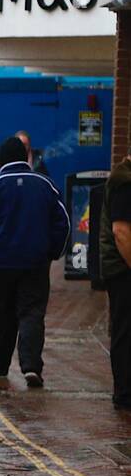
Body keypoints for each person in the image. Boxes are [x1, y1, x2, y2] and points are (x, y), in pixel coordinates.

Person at [0, 137, 69, 388]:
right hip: (35, 261)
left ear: (1, 159)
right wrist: (53, 252)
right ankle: (31, 366)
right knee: (32, 312)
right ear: (25, 157)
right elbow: (63, 222)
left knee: (3, 314)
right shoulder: (45, 184)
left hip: (1, 262)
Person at [100, 152, 131, 410]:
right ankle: (124, 393)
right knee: (124, 330)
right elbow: (121, 232)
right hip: (123, 270)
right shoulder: (124, 181)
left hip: (121, 268)